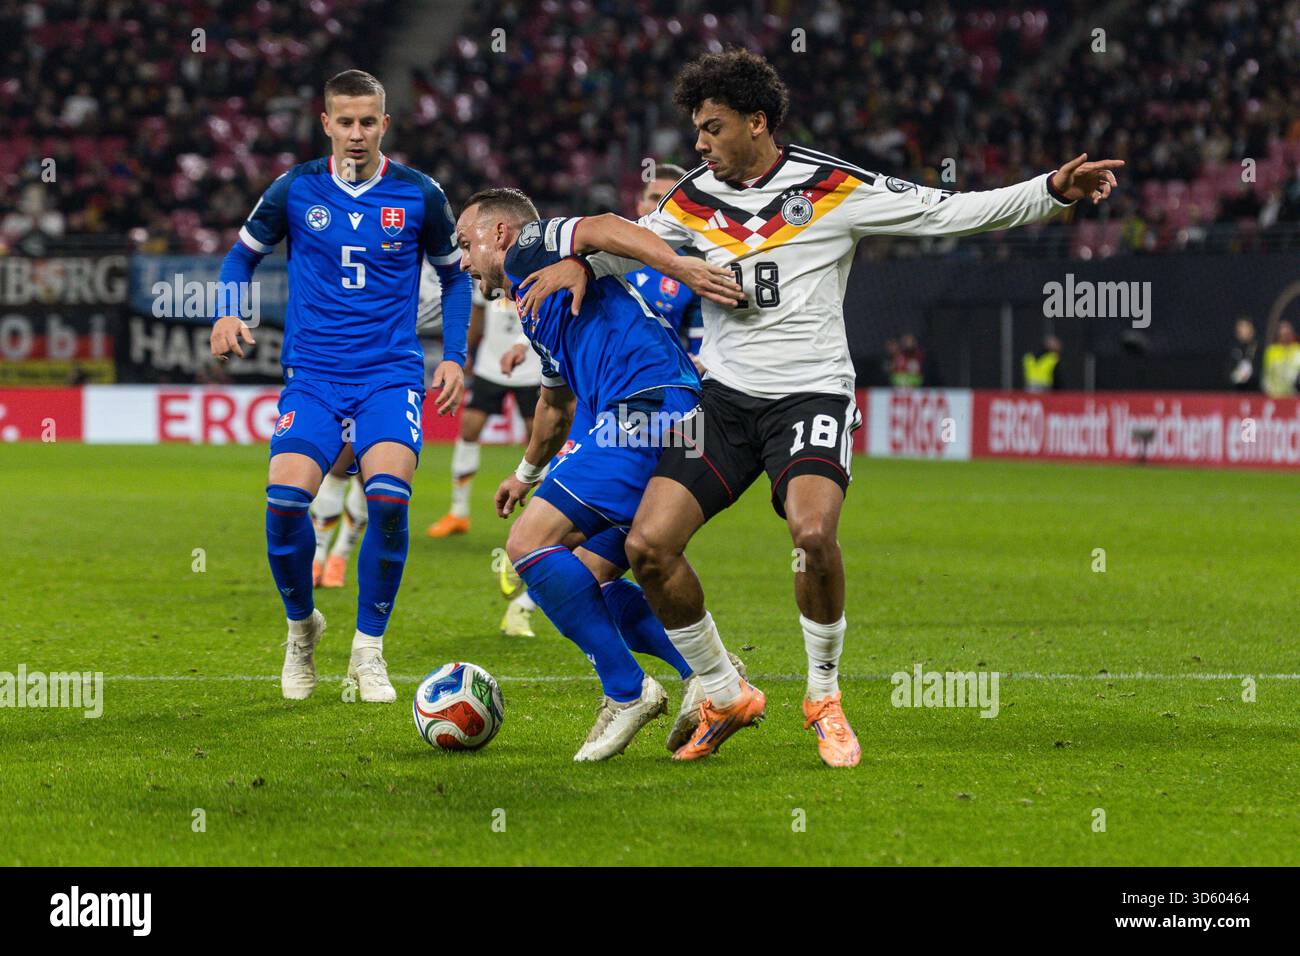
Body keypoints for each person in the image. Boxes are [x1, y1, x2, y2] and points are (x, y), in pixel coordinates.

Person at [519, 49, 1122, 765]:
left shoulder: (835, 186)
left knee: (811, 535)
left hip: (810, 395)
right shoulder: (691, 199)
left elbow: (953, 211)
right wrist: (577, 262)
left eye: (712, 128)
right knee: (649, 548)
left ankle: (824, 696)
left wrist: (1053, 188)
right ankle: (721, 689)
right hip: (726, 398)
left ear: (757, 122)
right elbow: (631, 245)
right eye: (697, 131)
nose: (700, 144)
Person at [209, 69, 470, 703]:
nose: (357, 134)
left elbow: (457, 278)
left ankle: (368, 652)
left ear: (386, 124)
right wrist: (225, 309)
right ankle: (302, 631)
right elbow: (241, 255)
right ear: (326, 124)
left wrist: (455, 356)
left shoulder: (420, 194)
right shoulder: (294, 189)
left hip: (389, 375)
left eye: (368, 121)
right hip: (314, 377)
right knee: (284, 506)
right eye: (345, 122)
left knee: (387, 499)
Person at [456, 186, 743, 760]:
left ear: (501, 234)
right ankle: (711, 678)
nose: (462, 259)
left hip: (645, 408)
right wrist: (525, 472)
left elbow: (602, 225)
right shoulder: (537, 303)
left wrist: (676, 264)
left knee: (529, 544)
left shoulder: (530, 249)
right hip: (666, 413)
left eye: (466, 243)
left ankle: (627, 690)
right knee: (594, 576)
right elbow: (555, 407)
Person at [426, 286, 541, 540]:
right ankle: (458, 512)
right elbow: (478, 312)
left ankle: (542, 517)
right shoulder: (488, 273)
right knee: (469, 428)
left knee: (541, 439)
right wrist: (464, 353)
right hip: (490, 365)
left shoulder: (533, 271)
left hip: (532, 368)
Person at [1262, 320, 1300, 398]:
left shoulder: (1298, 350)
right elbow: (1266, 375)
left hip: (1295, 396)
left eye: (1287, 334)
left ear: (1292, 334)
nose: (1285, 337)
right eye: (1282, 335)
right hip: (1275, 395)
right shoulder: (1271, 351)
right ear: (1278, 336)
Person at [1227, 318, 1259, 392]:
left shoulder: (1258, 350)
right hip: (1236, 392)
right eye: (1240, 327)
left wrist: (1248, 377)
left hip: (1254, 393)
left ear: (1252, 330)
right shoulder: (1233, 350)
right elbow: (1228, 373)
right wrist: (1237, 377)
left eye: (1245, 327)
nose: (1242, 330)